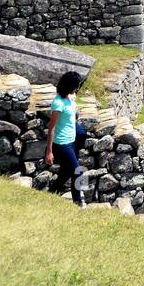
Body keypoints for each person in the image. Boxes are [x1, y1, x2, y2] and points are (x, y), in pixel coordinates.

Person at [44, 70, 87, 207]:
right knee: (78, 171)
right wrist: (49, 152)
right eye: (76, 85)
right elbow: (52, 128)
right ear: (69, 86)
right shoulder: (58, 103)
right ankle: (78, 201)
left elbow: (70, 120)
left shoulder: (69, 98)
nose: (77, 88)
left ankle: (53, 190)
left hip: (72, 140)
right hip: (62, 143)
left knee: (68, 171)